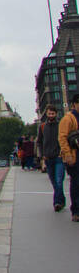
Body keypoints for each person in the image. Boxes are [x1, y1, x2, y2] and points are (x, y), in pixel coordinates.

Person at [37, 105, 65, 211]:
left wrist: (62, 153)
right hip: (48, 158)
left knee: (58, 180)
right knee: (54, 182)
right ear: (47, 114)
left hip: (59, 158)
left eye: (53, 113)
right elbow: (39, 142)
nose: (51, 115)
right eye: (49, 113)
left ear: (56, 114)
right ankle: (61, 200)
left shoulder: (60, 125)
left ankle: (57, 203)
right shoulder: (43, 126)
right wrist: (41, 156)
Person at [58, 93, 79, 222]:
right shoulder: (68, 119)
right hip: (74, 155)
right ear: (74, 104)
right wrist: (68, 154)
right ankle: (76, 211)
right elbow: (62, 137)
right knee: (76, 183)